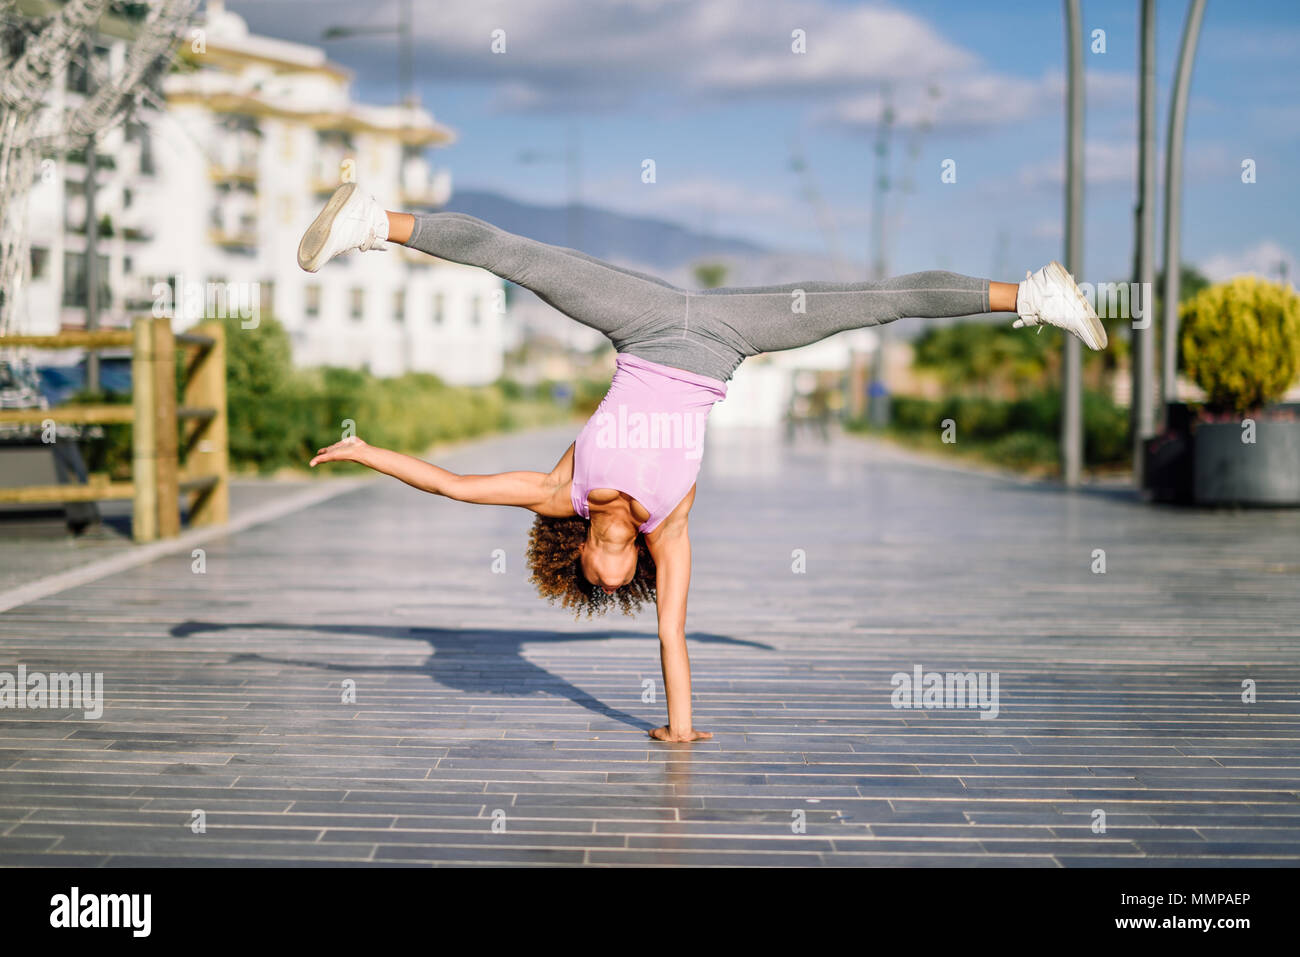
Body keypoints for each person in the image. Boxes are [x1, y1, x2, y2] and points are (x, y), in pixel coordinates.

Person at [299, 183, 1106, 743]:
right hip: (725, 337)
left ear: (577, 549)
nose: (617, 566)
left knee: (521, 256)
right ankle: (1034, 297)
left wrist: (366, 449)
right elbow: (673, 638)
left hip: (643, 322)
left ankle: (375, 221)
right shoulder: (670, 530)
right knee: (877, 301)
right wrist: (680, 729)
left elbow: (450, 485)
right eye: (627, 575)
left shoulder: (557, 490)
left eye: (599, 568)